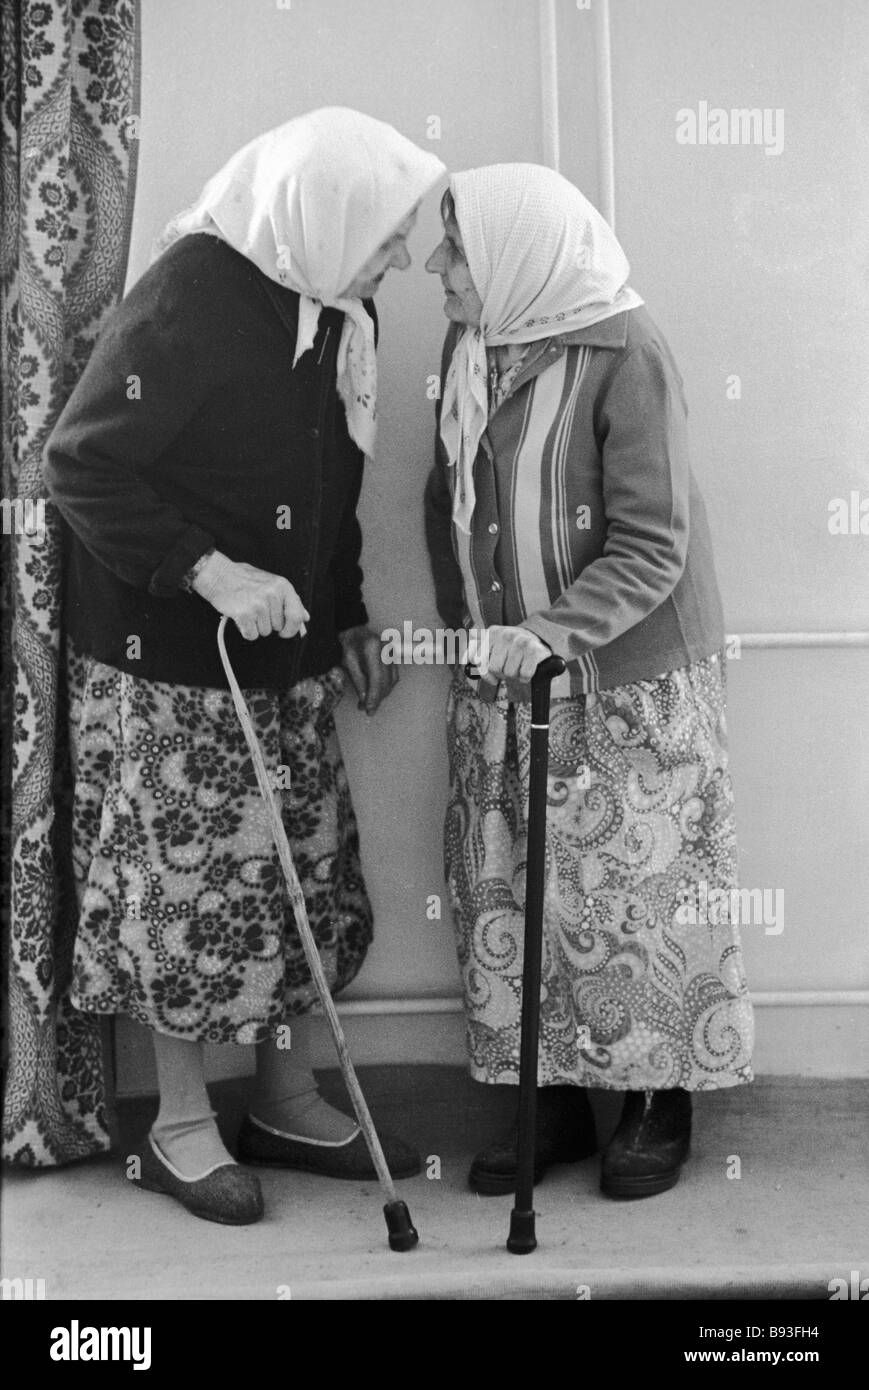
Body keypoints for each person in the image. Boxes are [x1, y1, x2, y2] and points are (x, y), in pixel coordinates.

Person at [43, 108, 445, 1225]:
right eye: (385, 237)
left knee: (291, 881)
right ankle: (178, 1125)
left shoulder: (333, 300)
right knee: (184, 896)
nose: (400, 261)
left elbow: (330, 483)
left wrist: (351, 615)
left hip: (285, 651)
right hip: (170, 658)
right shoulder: (194, 294)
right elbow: (79, 465)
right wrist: (208, 570)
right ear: (324, 218)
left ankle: (282, 1094)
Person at [424, 164, 754, 1201]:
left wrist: (550, 633)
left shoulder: (628, 351)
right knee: (516, 893)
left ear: (518, 251)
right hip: (503, 680)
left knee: (634, 900)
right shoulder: (473, 341)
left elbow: (654, 542)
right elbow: (451, 492)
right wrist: (470, 628)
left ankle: (660, 1102)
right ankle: (550, 1096)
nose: (438, 269)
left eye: (457, 250)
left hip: (619, 679)